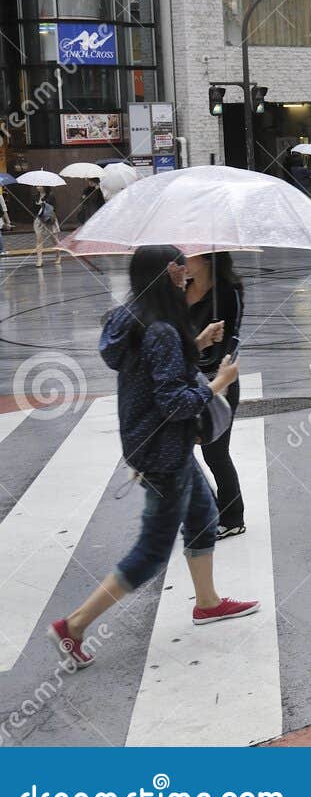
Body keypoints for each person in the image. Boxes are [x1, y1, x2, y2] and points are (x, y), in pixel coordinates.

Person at [47, 246, 257, 668]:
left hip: (156, 443)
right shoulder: (159, 327)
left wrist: (197, 342)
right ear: (168, 273)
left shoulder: (140, 317)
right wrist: (218, 383)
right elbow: (175, 403)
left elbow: (154, 369)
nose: (187, 273)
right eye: (181, 266)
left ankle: (208, 601)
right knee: (151, 550)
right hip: (162, 450)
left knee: (202, 517)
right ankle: (73, 625)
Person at [186, 251, 247, 537]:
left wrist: (219, 367)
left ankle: (232, 518)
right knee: (182, 453)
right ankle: (204, 510)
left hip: (218, 382)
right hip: (187, 382)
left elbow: (234, 338)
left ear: (208, 259)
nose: (183, 261)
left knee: (215, 452)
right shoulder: (181, 290)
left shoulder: (228, 292)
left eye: (190, 256)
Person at [33, 187, 60, 268]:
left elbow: (54, 208)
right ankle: (39, 259)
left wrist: (44, 205)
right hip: (39, 220)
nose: (38, 187)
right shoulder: (35, 196)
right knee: (39, 239)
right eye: (37, 185)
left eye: (40, 185)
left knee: (54, 239)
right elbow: (32, 208)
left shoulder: (51, 196)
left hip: (49, 220)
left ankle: (58, 255)